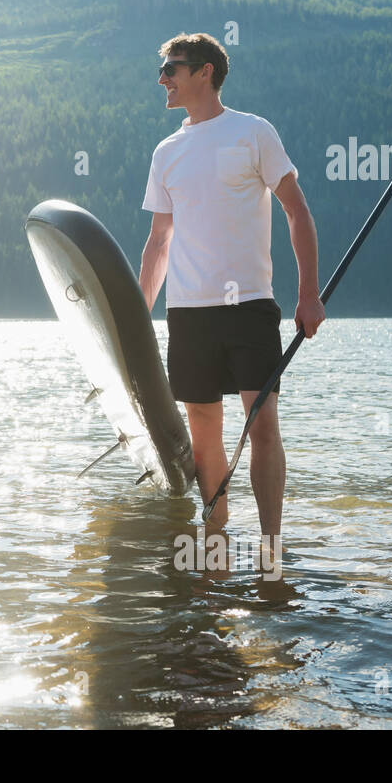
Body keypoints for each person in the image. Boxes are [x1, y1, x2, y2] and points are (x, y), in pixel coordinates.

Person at [139, 33, 325, 544]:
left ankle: (270, 549)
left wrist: (309, 294)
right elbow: (159, 241)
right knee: (203, 431)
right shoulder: (166, 151)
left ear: (205, 72)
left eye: (171, 69)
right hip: (189, 313)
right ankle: (216, 546)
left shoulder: (253, 132)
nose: (162, 80)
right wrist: (136, 318)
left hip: (249, 307)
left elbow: (297, 210)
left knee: (261, 426)